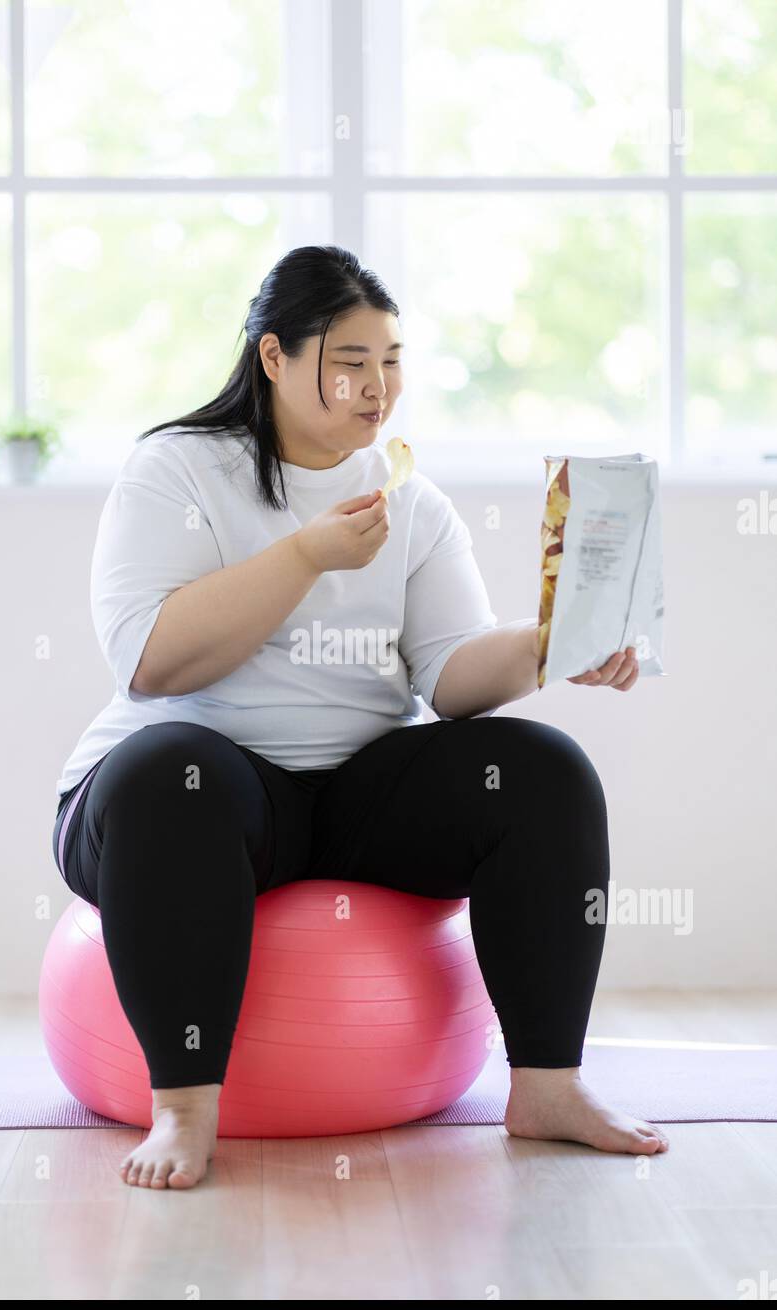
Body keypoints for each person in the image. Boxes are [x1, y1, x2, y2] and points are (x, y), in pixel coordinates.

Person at [51, 243, 667, 1191]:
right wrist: (306, 555)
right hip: (196, 792)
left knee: (543, 768)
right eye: (349, 361)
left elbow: (450, 678)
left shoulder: (408, 497)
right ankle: (182, 1108)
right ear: (273, 358)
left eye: (391, 362)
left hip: (352, 795)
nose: (377, 388)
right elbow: (151, 660)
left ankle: (547, 1085)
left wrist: (551, 646)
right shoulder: (177, 470)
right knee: (172, 770)